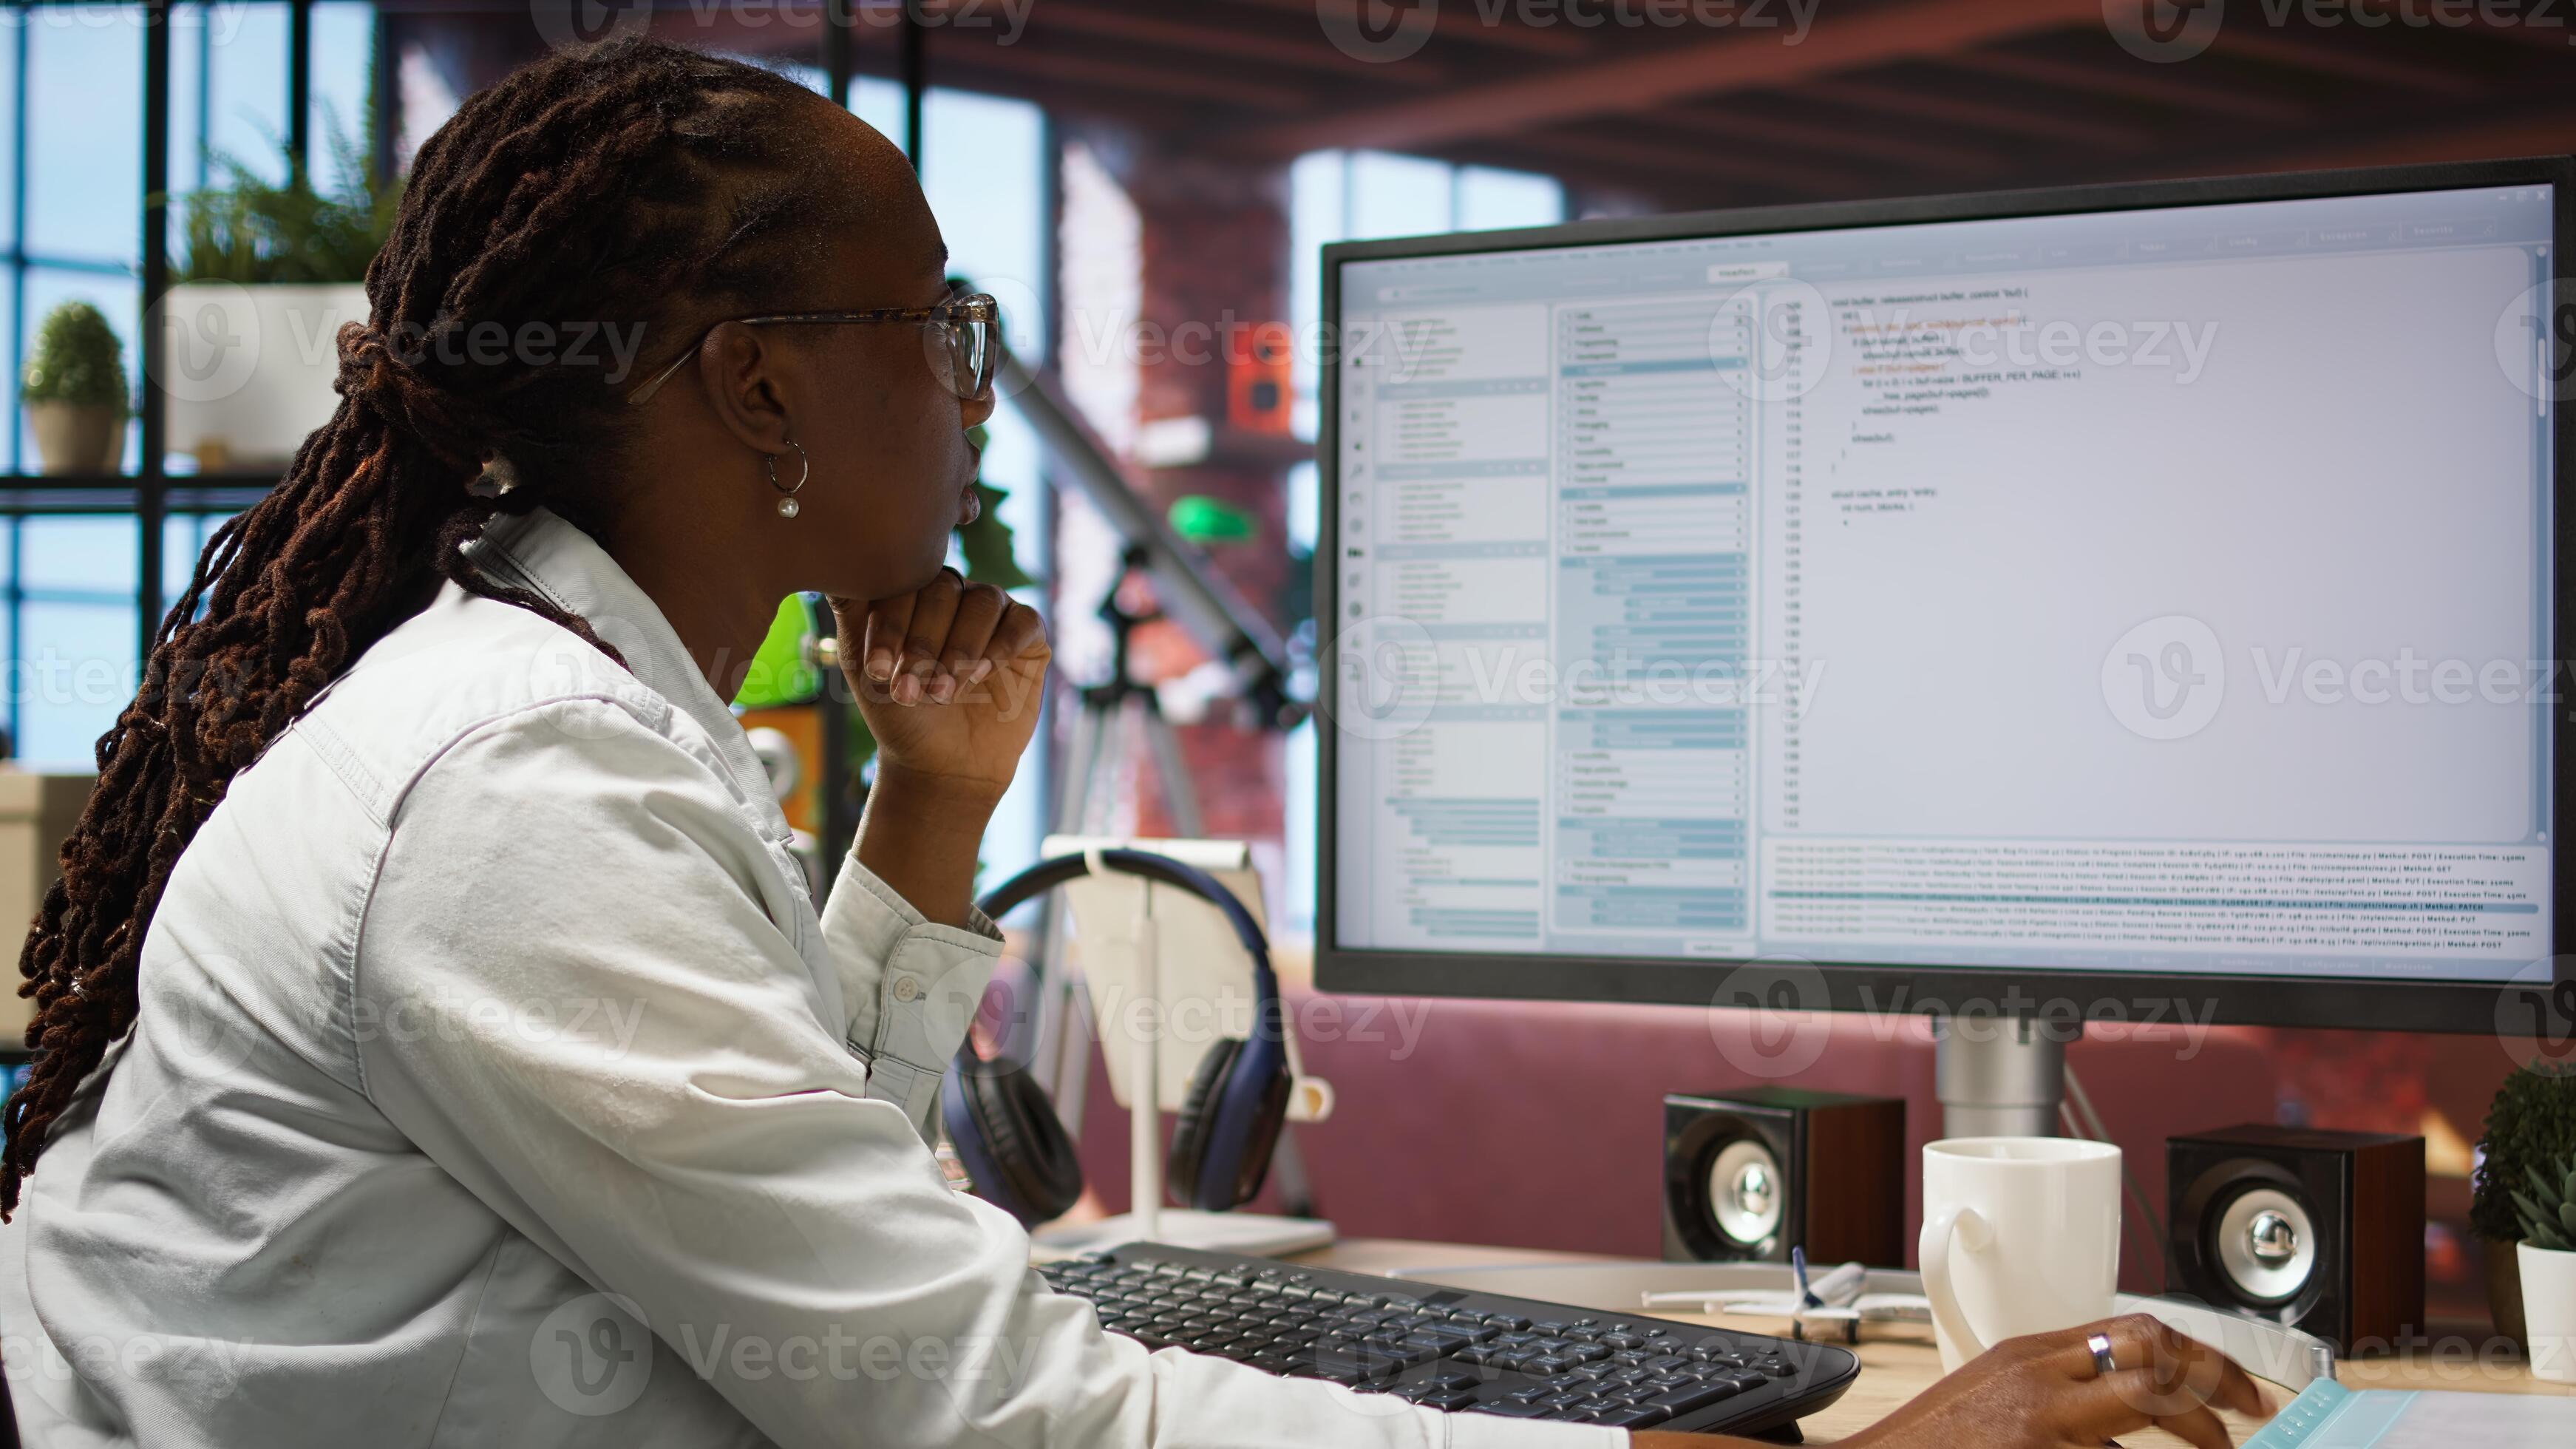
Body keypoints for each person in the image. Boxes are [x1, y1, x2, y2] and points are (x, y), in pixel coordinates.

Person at [0, 38, 2266, 1449]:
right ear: (763, 388)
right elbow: (990, 1410)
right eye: (938, 324)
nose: (976, 383)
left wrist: (933, 807)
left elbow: (792, 1224)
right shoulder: (516, 784)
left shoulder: (570, 710)